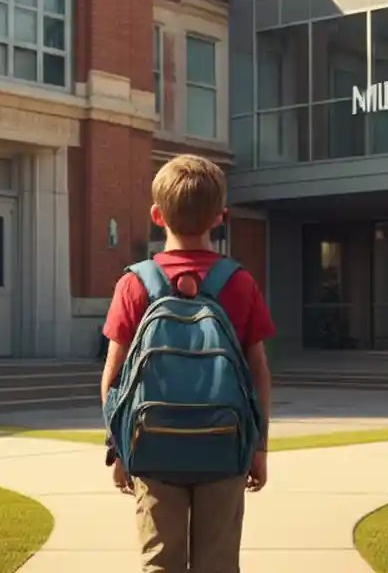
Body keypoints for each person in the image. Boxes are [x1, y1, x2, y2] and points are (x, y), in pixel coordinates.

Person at [100, 154, 275, 573]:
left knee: (160, 562)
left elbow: (113, 377)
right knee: (218, 563)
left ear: (157, 215)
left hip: (154, 445)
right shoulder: (239, 283)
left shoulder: (134, 283)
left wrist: (120, 448)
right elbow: (259, 374)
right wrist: (259, 447)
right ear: (221, 217)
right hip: (224, 443)